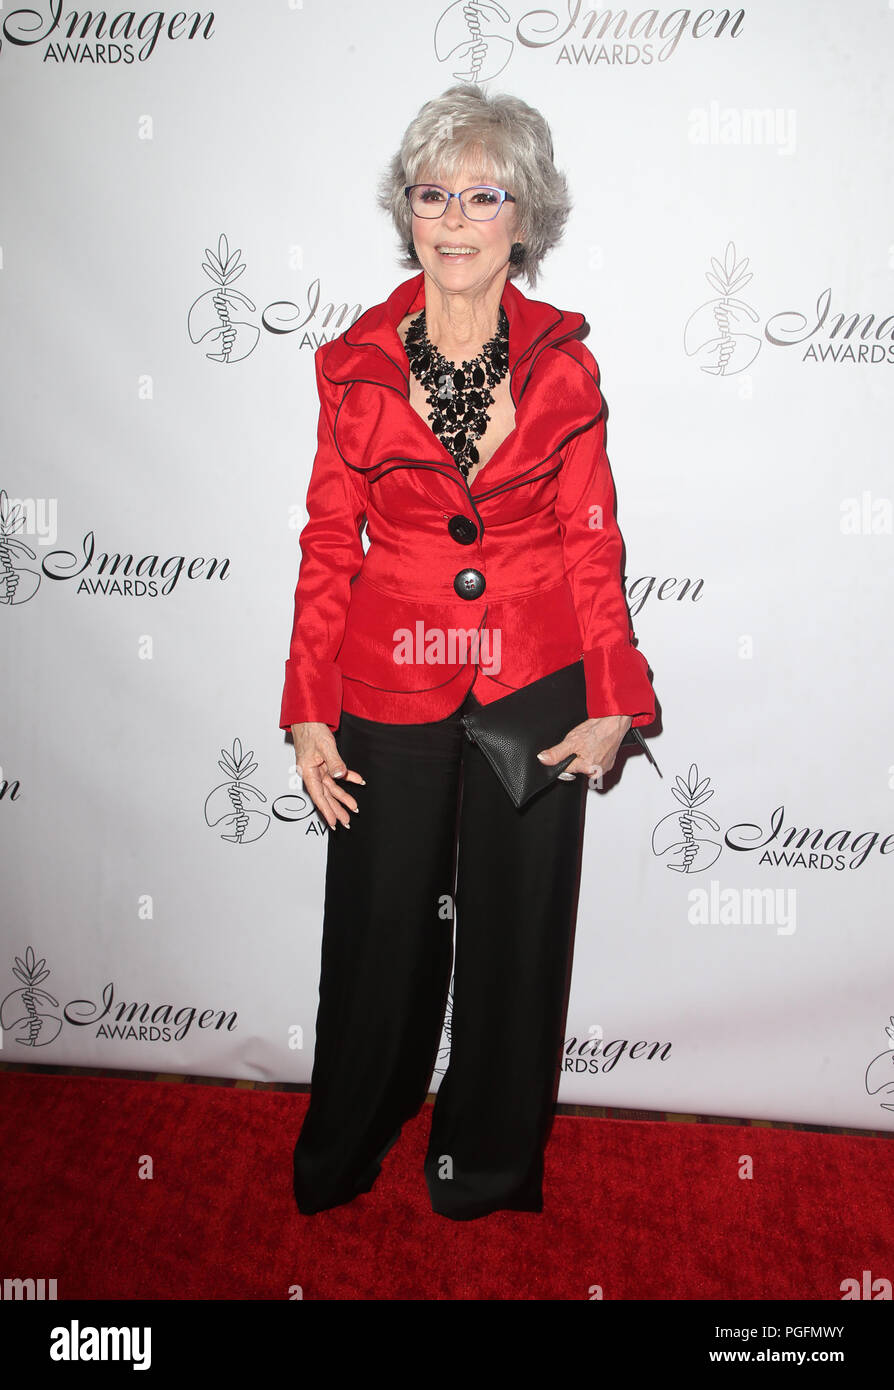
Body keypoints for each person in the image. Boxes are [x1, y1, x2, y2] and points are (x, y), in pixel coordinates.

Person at [280, 83, 657, 1221]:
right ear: (407, 214)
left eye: (483, 195)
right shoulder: (351, 364)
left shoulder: (566, 368)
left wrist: (614, 696)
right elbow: (324, 543)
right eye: (431, 193)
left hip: (534, 681)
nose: (453, 218)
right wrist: (306, 705)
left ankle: (483, 1163)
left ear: (523, 221)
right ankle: (352, 1134)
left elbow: (595, 542)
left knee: (516, 934)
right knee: (382, 921)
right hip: (388, 671)